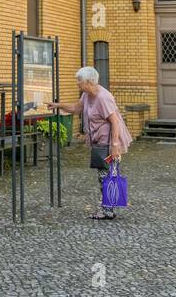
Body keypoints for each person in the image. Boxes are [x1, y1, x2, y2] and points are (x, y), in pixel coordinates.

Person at [49, 66, 132, 220]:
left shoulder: (103, 97)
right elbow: (76, 107)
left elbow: (115, 122)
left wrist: (114, 146)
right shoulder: (87, 95)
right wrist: (58, 105)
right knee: (106, 174)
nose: (77, 84)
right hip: (100, 142)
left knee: (107, 175)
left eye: (79, 81)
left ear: (89, 81)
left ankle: (108, 210)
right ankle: (109, 209)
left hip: (109, 142)